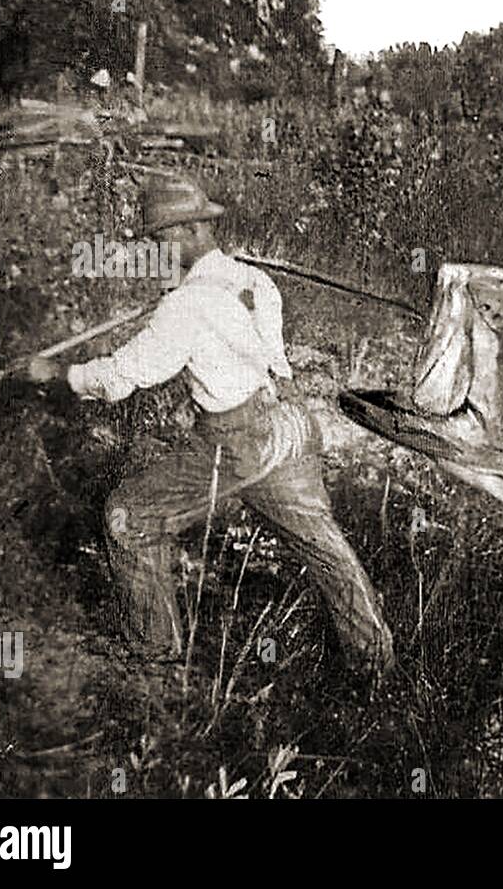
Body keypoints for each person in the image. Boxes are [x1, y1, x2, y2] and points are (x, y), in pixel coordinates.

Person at [27, 176, 394, 673]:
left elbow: (121, 378)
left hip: (238, 440)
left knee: (128, 518)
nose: (155, 250)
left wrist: (60, 374)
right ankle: (376, 665)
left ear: (186, 231)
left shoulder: (187, 305)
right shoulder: (251, 280)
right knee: (324, 549)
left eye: (158, 239)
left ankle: (154, 656)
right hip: (290, 425)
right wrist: (174, 303)